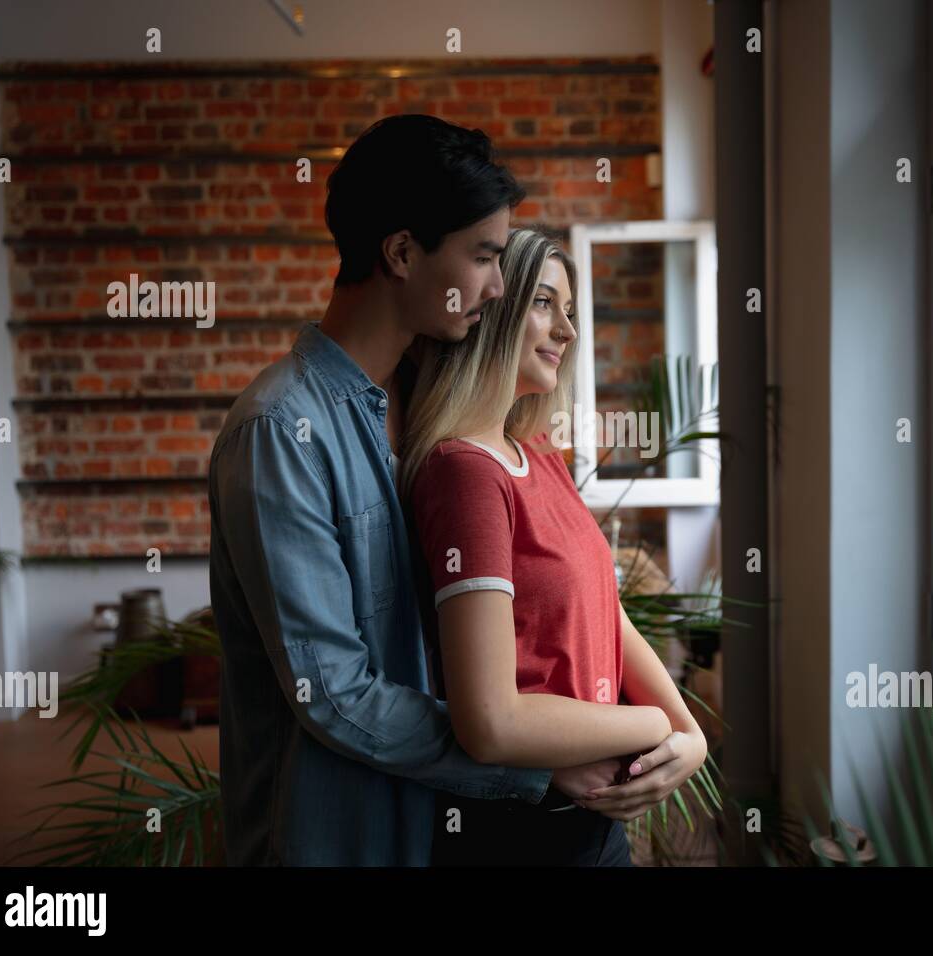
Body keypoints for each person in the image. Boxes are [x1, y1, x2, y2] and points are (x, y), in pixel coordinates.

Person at [208, 115, 625, 865]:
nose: (498, 286)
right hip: (339, 836)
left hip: (447, 829)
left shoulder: (439, 413)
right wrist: (533, 759)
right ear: (402, 252)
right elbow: (332, 693)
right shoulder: (280, 430)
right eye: (483, 257)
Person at [402, 228, 709, 866]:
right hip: (523, 835)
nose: (567, 332)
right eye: (544, 303)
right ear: (490, 307)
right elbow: (491, 722)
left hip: (592, 825)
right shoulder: (465, 473)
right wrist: (653, 727)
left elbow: (606, 608)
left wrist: (690, 733)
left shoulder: (536, 452)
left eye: (568, 310)